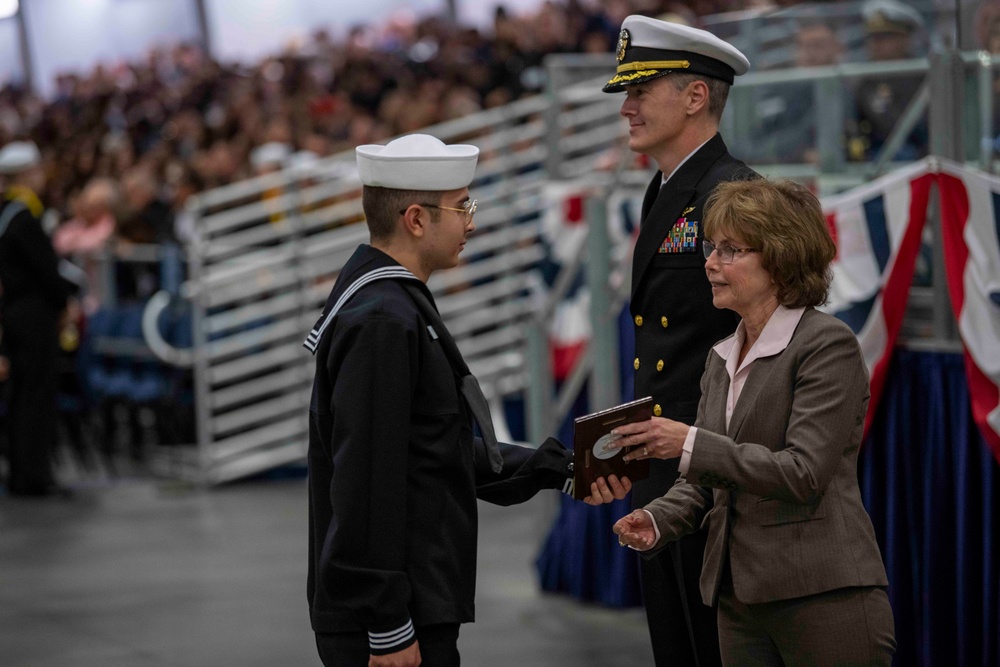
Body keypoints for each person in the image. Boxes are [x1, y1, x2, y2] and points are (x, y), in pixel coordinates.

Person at [304, 133, 629, 667]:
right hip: (390, 618)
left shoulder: (389, 302)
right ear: (415, 218)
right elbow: (364, 479)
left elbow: (432, 450)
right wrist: (386, 623)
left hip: (410, 601)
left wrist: (563, 466)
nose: (471, 222)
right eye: (462, 207)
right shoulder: (383, 319)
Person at [611, 179, 896, 666]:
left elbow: (801, 473)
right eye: (710, 247)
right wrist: (658, 518)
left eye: (730, 250)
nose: (710, 262)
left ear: (780, 258)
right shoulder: (722, 356)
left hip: (823, 596)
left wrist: (690, 443)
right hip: (737, 600)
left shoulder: (827, 345)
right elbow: (705, 482)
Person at [601, 14, 756, 667]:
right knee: (675, 643)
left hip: (709, 468)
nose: (628, 107)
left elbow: (759, 341)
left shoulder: (732, 193)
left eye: (643, 90)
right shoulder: (665, 187)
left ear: (696, 97)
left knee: (706, 646)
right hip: (664, 464)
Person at [0, 141, 77, 497]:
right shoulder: (23, 217)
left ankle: (21, 471)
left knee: (20, 395)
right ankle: (33, 475)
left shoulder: (6, 214)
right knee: (35, 395)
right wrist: (67, 298)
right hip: (33, 316)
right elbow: (46, 270)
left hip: (12, 314)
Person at [848, 0, 927, 162]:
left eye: (885, 37)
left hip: (916, 161)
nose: (876, 44)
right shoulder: (865, 81)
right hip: (875, 163)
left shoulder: (923, 77)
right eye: (872, 37)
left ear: (905, 39)